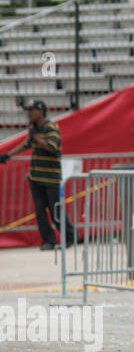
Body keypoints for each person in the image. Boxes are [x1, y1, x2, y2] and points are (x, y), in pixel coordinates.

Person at [2, 100, 80, 250]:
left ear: (41, 111)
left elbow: (52, 147)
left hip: (50, 177)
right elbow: (27, 144)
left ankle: (71, 236)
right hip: (36, 177)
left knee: (55, 210)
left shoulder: (51, 127)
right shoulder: (34, 129)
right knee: (40, 212)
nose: (29, 114)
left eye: (32, 110)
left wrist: (35, 137)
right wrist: (8, 155)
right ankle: (48, 241)